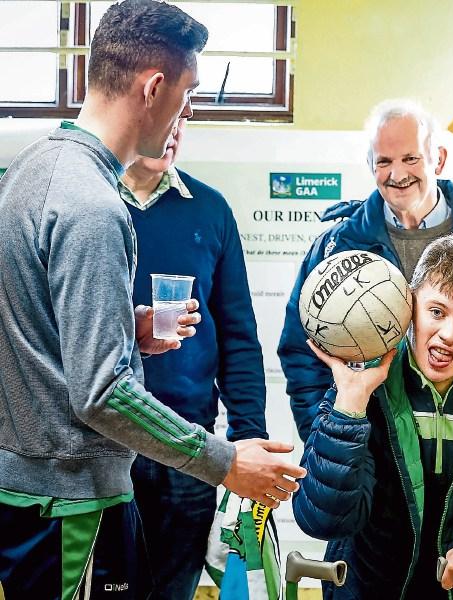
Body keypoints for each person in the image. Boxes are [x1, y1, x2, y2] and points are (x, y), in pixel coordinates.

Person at [0, 1, 303, 597]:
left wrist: (122, 331)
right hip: (72, 504)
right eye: (187, 95)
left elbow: (31, 333)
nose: (187, 112)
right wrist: (226, 462)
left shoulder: (30, 172)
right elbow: (103, 393)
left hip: (31, 493)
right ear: (154, 87)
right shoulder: (92, 206)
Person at [278, 99, 453, 441]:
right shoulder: (337, 247)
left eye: (410, 158)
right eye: (384, 161)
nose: (398, 175)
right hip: (373, 454)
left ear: (438, 159)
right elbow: (302, 351)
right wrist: (328, 437)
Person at [294, 233, 453, 599]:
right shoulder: (362, 390)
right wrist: (349, 409)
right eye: (437, 312)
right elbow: (322, 519)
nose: (449, 334)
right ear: (410, 305)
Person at [120, 117, 269, 599]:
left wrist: (250, 439)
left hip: (191, 446)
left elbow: (238, 336)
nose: (174, 131)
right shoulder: (90, 203)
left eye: (183, 119)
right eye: (166, 115)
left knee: (174, 590)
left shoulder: (210, 209)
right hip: (105, 445)